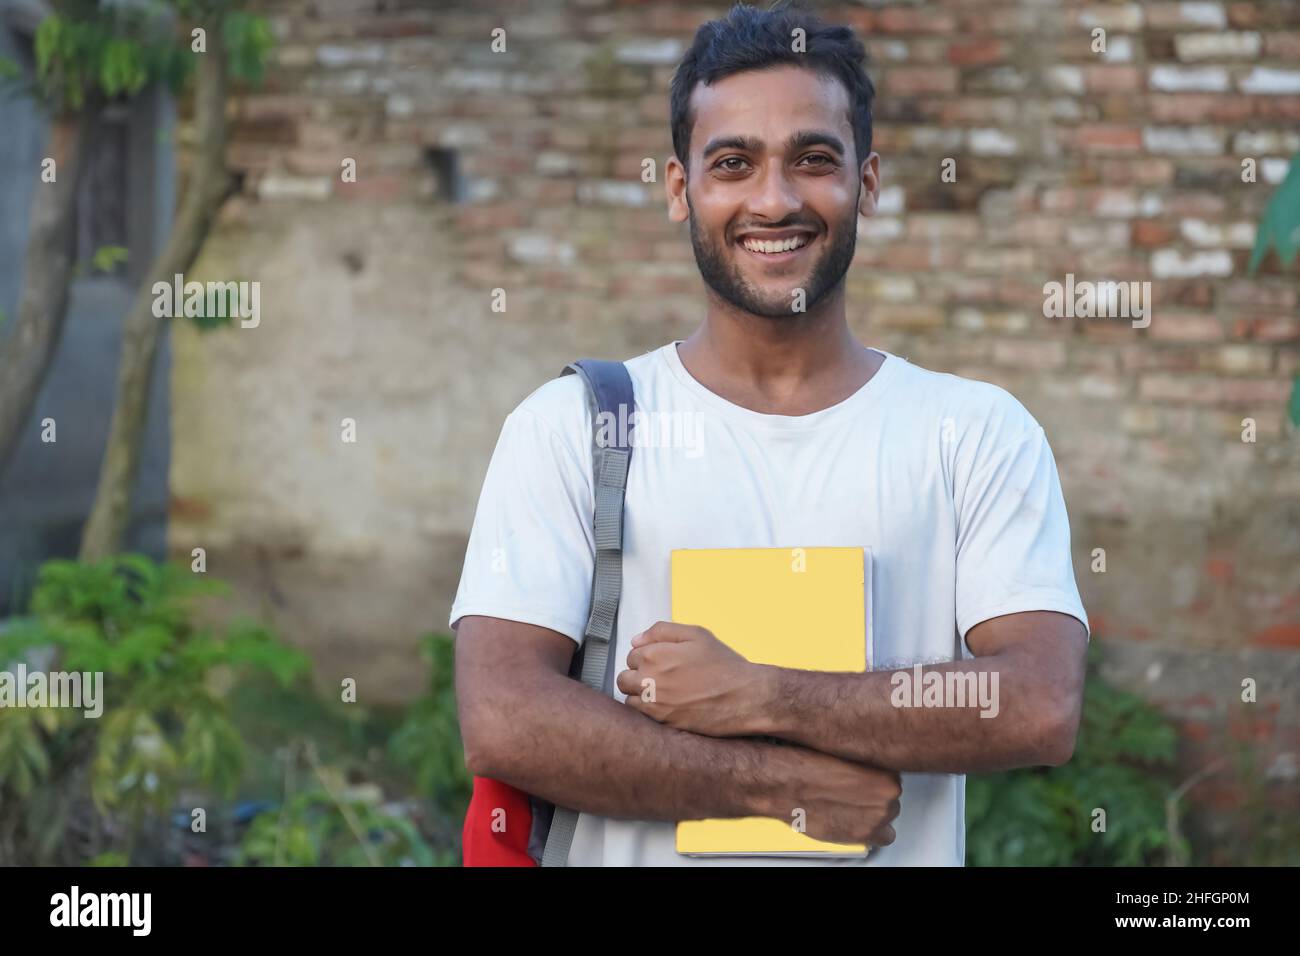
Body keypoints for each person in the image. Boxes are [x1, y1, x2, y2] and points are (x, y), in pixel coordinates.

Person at [450, 0, 1088, 866]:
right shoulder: (575, 428)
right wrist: (773, 788)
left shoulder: (972, 434)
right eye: (733, 164)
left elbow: (1037, 703)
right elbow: (504, 718)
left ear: (865, 181)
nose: (774, 199)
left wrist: (764, 693)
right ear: (683, 190)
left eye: (813, 160)